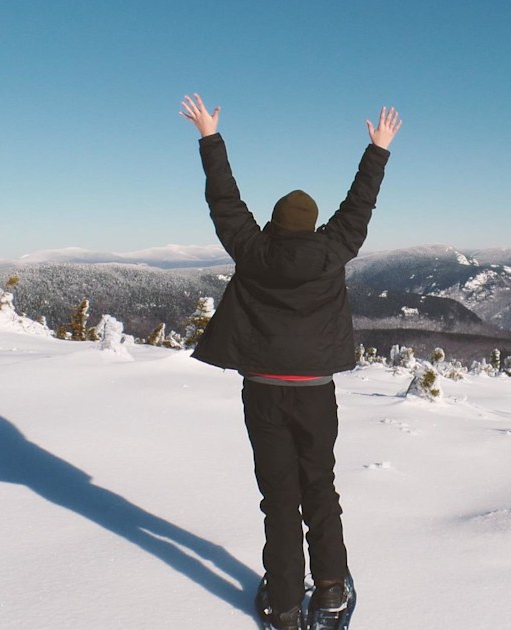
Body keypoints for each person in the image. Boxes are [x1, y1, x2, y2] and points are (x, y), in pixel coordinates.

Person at [180, 93, 401, 629]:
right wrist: (377, 150)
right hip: (314, 391)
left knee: (278, 496)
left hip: (262, 391)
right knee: (319, 487)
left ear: (275, 225)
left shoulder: (253, 250)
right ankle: (329, 594)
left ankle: (282, 603)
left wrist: (209, 136)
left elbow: (225, 203)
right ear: (313, 225)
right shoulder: (333, 252)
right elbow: (359, 207)